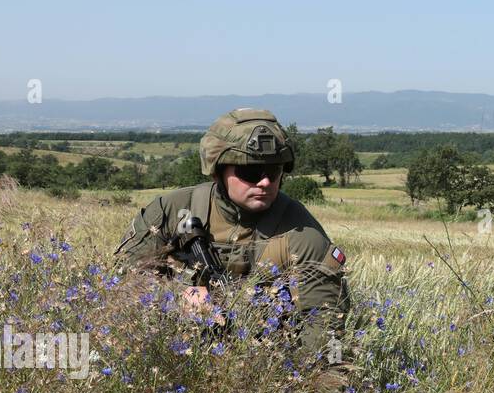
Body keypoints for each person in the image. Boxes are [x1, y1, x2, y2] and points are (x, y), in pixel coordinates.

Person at [115, 108, 350, 363]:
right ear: (218, 171)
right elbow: (119, 287)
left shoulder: (302, 233)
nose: (265, 183)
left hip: (265, 366)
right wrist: (173, 298)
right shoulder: (171, 211)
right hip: (169, 358)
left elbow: (325, 333)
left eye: (274, 172)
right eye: (250, 173)